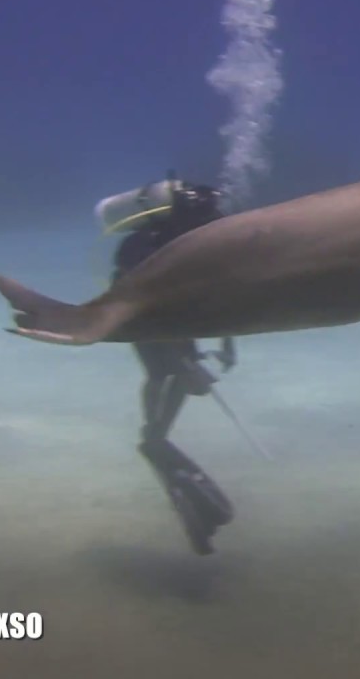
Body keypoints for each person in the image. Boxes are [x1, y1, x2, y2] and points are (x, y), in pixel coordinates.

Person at [104, 175, 239, 555]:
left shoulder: (197, 244)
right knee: (164, 372)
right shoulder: (148, 244)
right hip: (140, 311)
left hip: (175, 313)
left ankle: (156, 436)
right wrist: (184, 352)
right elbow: (139, 293)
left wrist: (226, 344)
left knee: (183, 372)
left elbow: (227, 294)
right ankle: (153, 434)